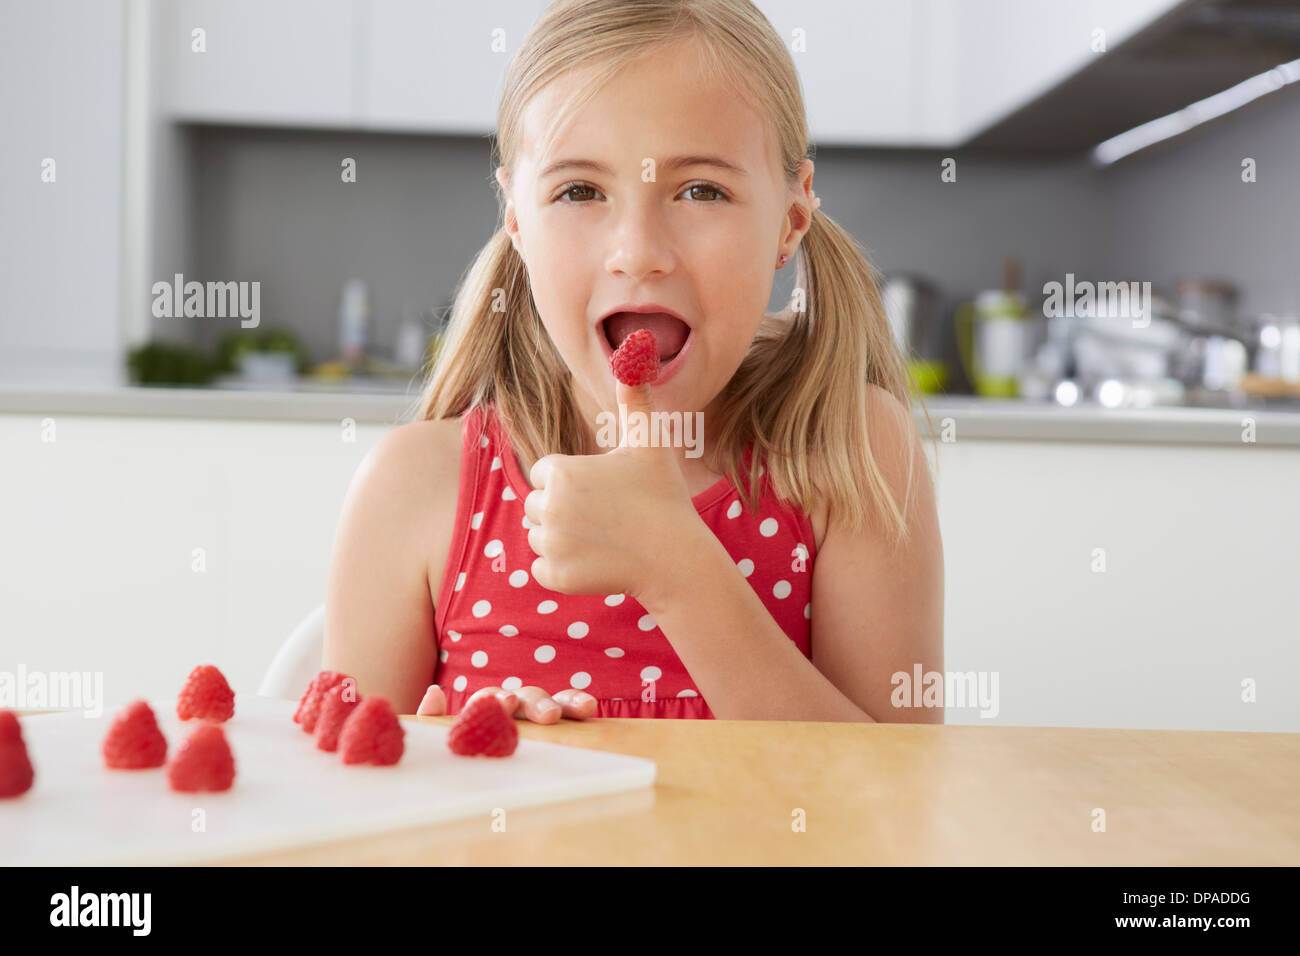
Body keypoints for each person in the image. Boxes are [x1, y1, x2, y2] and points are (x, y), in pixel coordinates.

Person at [322, 0, 944, 723]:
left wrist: (679, 571)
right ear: (516, 220)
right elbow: (352, 807)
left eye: (701, 190)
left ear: (791, 220)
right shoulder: (415, 487)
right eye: (579, 191)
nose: (638, 251)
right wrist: (435, 767)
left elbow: (891, 806)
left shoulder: (851, 453)